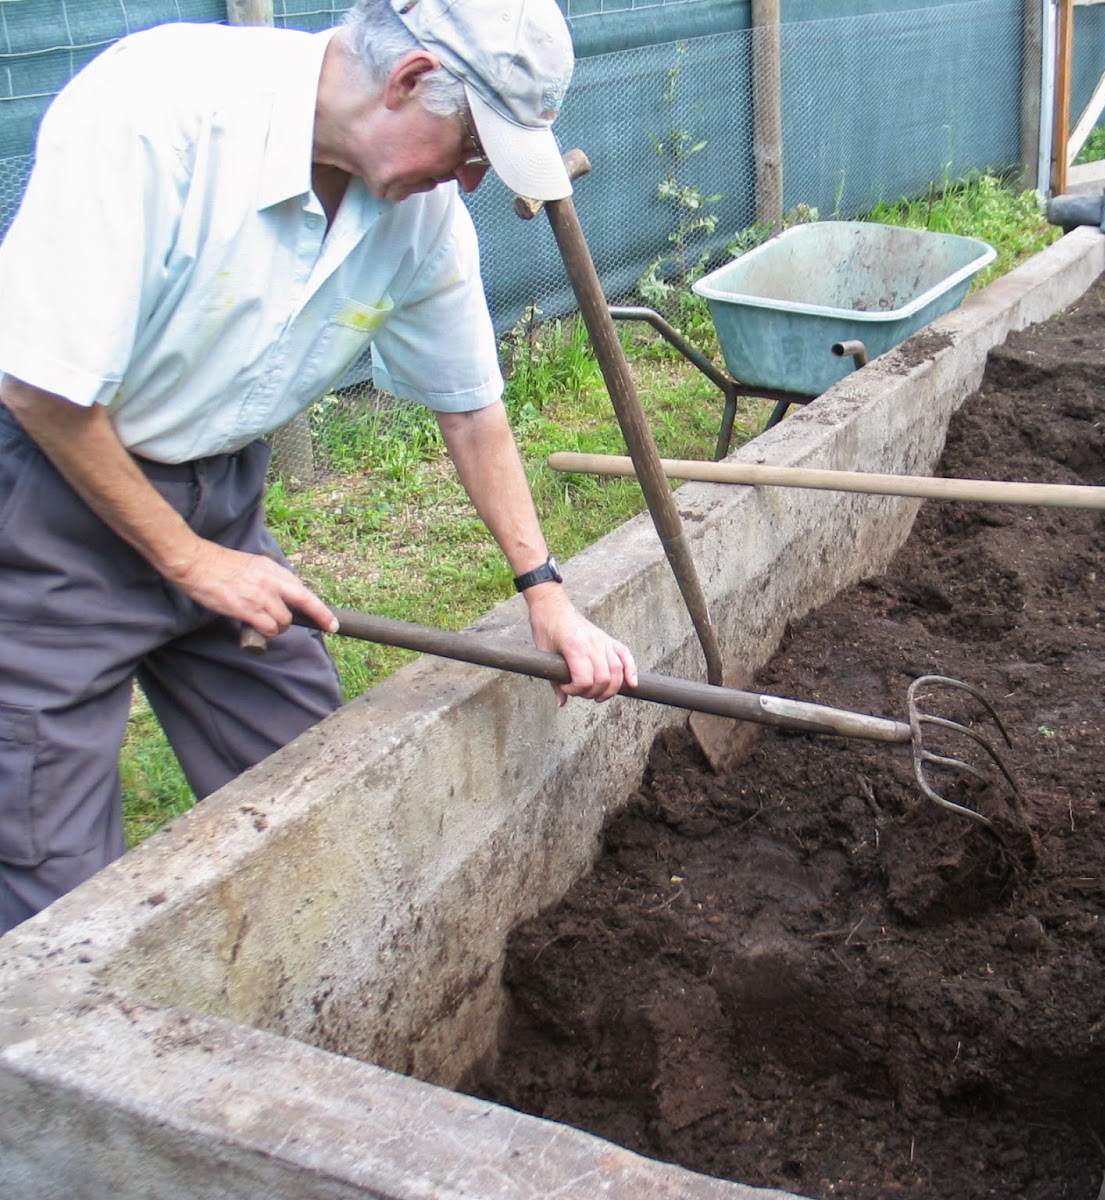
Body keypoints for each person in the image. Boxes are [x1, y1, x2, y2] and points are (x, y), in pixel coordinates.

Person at [0, 0, 638, 934]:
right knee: (51, 877)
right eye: (473, 150)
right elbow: (42, 390)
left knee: (311, 772)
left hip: (219, 494)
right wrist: (187, 561)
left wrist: (544, 589)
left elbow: (471, 407)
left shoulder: (420, 218)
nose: (469, 181)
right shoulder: (157, 115)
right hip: (51, 500)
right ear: (411, 80)